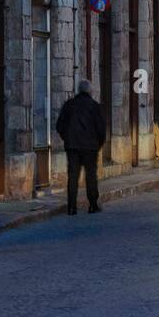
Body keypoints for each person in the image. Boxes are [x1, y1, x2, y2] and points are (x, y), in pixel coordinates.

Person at [56, 79, 107, 215]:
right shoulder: (95, 106)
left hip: (73, 147)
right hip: (90, 147)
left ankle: (72, 207)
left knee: (73, 177)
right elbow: (101, 129)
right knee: (91, 176)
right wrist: (98, 144)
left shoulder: (69, 105)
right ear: (90, 91)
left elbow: (59, 125)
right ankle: (93, 205)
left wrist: (67, 139)